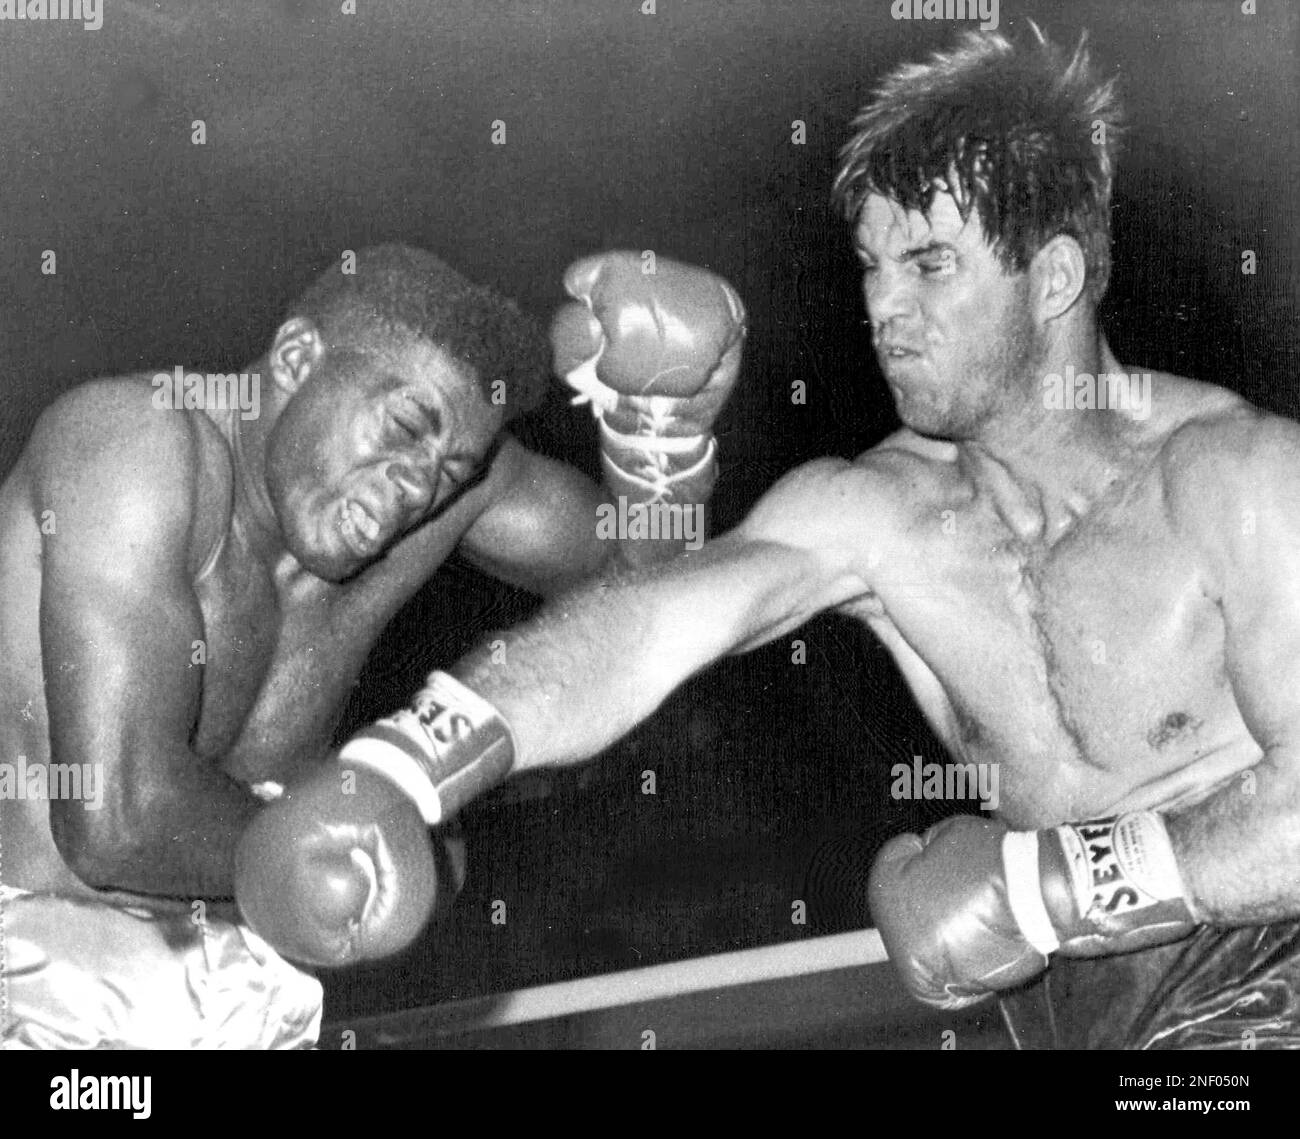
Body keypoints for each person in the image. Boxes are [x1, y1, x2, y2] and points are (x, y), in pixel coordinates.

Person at [243, 28, 1300, 1049]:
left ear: (1055, 278)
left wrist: (1045, 890)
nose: (884, 307)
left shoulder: (1235, 479)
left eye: (929, 265)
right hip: (1070, 1005)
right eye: (872, 267)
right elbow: (643, 628)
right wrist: (402, 765)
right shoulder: (876, 512)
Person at [0, 243, 746, 1048]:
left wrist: (659, 444)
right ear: (296, 358)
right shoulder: (131, 441)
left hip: (256, 988)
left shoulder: (439, 490)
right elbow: (114, 821)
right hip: (42, 966)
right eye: (401, 427)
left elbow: (647, 594)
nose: (413, 487)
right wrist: (375, 827)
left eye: (447, 471)